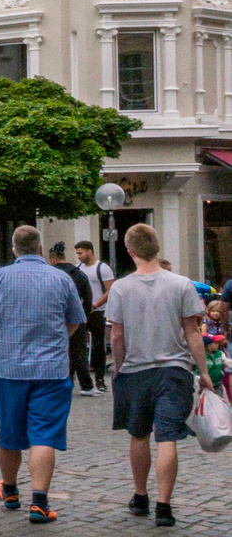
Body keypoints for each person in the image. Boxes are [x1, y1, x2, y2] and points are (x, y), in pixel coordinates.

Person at [0, 225, 84, 524]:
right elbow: (76, 321)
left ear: (14, 250)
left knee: (10, 433)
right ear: (41, 248)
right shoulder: (62, 278)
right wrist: (57, 340)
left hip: (9, 368)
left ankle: (11, 490)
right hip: (52, 371)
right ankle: (40, 503)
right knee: (45, 434)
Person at [106, 223, 212, 528]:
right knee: (168, 437)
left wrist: (118, 369)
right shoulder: (181, 284)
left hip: (136, 370)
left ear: (130, 251)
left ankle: (141, 496)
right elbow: (192, 332)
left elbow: (116, 335)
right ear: (157, 248)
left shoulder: (122, 288)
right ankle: (164, 505)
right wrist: (203, 371)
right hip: (175, 370)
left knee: (138, 434)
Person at [48, 242, 97, 397]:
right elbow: (88, 298)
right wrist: (85, 317)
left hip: (55, 320)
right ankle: (86, 386)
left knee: (57, 352)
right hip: (76, 318)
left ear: (52, 260)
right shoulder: (79, 274)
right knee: (79, 353)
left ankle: (63, 382)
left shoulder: (49, 273)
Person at [76, 240, 115, 393]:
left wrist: (95, 305)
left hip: (97, 311)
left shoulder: (102, 269)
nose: (78, 256)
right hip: (82, 310)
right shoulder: (78, 269)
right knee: (78, 344)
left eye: (80, 253)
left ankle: (99, 378)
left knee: (98, 345)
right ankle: (82, 378)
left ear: (89, 251)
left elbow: (109, 290)